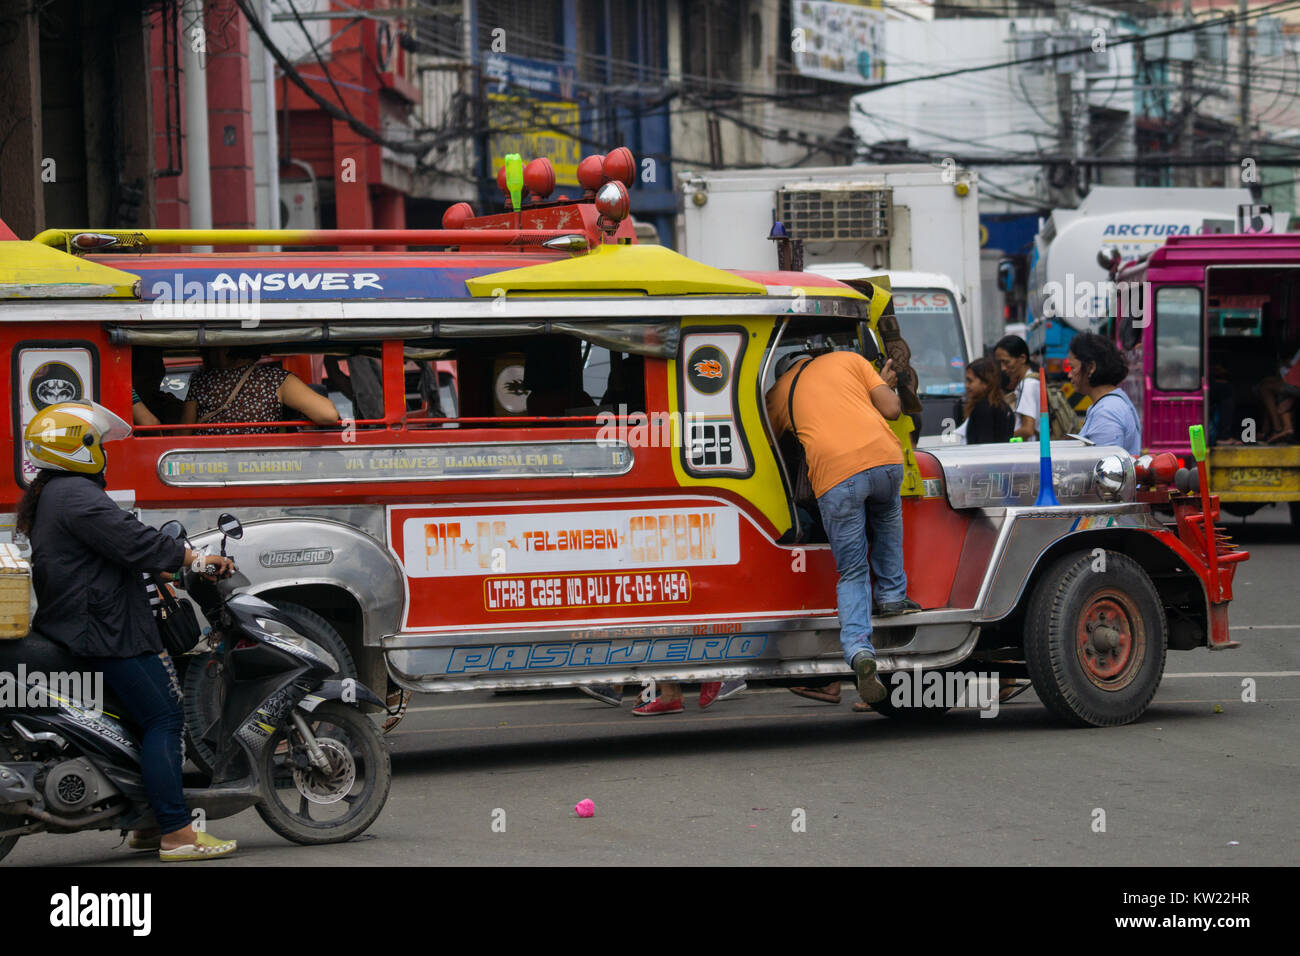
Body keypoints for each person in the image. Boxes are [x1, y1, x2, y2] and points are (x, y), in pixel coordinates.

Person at [17, 401, 238, 861]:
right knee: (163, 718)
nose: (104, 451)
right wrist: (192, 558)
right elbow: (132, 540)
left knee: (140, 720)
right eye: (95, 443)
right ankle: (177, 833)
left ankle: (147, 824)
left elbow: (113, 548)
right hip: (103, 629)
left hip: (78, 622)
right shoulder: (76, 494)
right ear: (77, 449)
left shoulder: (54, 492)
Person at [767, 346, 917, 708]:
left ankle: (859, 652)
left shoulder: (779, 393)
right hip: (885, 459)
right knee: (886, 521)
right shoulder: (851, 360)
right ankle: (893, 596)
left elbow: (769, 445)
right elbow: (892, 409)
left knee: (851, 571)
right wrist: (881, 384)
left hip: (836, 476)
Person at [181, 346, 339, 434]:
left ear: (224, 350)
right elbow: (328, 414)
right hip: (262, 467)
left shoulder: (201, 382)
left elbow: (183, 436)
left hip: (209, 470)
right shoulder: (275, 379)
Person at [1067, 332, 1141, 455]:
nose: (1069, 375)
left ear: (1091, 367)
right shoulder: (1109, 403)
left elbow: (1102, 467)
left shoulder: (1107, 412)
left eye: (1072, 368)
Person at [955, 357, 1016, 444]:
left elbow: (983, 446)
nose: (966, 385)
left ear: (986, 382)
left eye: (970, 381)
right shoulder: (1004, 407)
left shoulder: (983, 407)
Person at [994, 334, 1041, 441]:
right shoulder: (1032, 381)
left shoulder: (1027, 385)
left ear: (1022, 358)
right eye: (1000, 363)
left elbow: (1028, 430)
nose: (1003, 368)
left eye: (1006, 362)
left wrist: (999, 440)